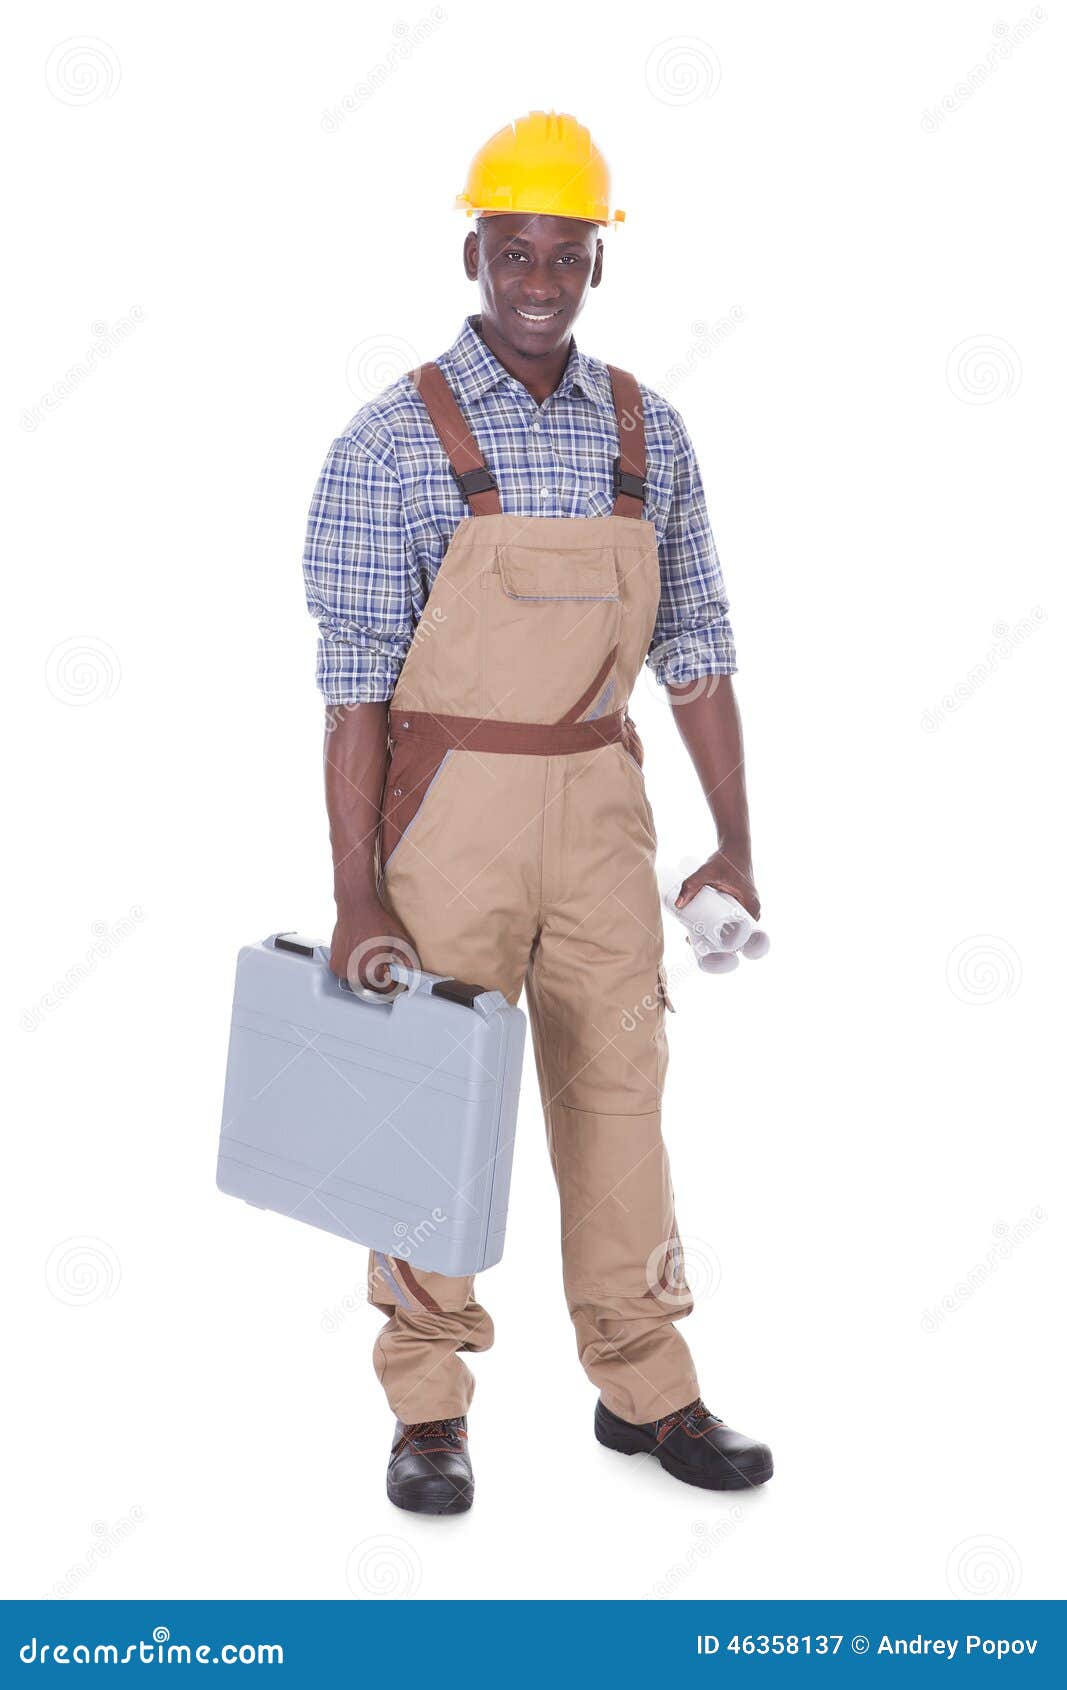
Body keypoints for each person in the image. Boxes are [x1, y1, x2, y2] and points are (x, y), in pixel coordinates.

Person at [302, 111, 772, 1515]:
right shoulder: (394, 438)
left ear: (597, 267)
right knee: (432, 1106)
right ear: (474, 250)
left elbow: (697, 650)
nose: (541, 282)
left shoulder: (649, 429)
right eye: (517, 252)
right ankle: (428, 1402)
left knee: (623, 1093)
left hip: (603, 807)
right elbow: (352, 696)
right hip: (447, 815)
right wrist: (356, 891)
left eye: (568, 257)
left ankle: (646, 1379)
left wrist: (737, 837)